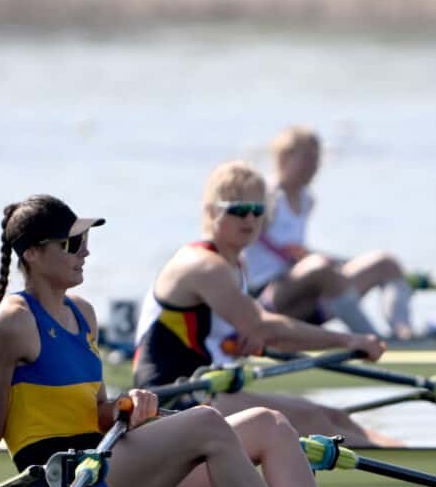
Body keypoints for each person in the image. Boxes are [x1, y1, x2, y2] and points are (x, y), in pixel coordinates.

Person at [0, 194, 335, 487]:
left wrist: (126, 407)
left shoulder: (83, 314)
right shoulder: (7, 324)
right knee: (206, 421)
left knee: (270, 424)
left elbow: (97, 414)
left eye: (86, 240)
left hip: (112, 474)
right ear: (34, 253)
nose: (86, 252)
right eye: (72, 243)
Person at [134, 161, 401, 447]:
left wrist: (238, 341)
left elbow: (257, 334)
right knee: (314, 422)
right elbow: (266, 329)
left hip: (209, 386)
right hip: (173, 398)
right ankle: (405, 470)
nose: (249, 218)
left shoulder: (237, 264)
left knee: (335, 417)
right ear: (211, 211)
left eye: (257, 210)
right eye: (237, 210)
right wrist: (348, 340)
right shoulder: (202, 265)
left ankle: (404, 454)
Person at [243, 127, 420, 339]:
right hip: (267, 299)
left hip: (308, 293)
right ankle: (371, 340)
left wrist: (307, 257)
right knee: (320, 266)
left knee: (384, 263)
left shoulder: (307, 199)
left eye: (317, 159)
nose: (314, 167)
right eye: (307, 158)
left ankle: (405, 336)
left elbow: (294, 251)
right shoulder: (265, 195)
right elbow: (239, 241)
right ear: (283, 157)